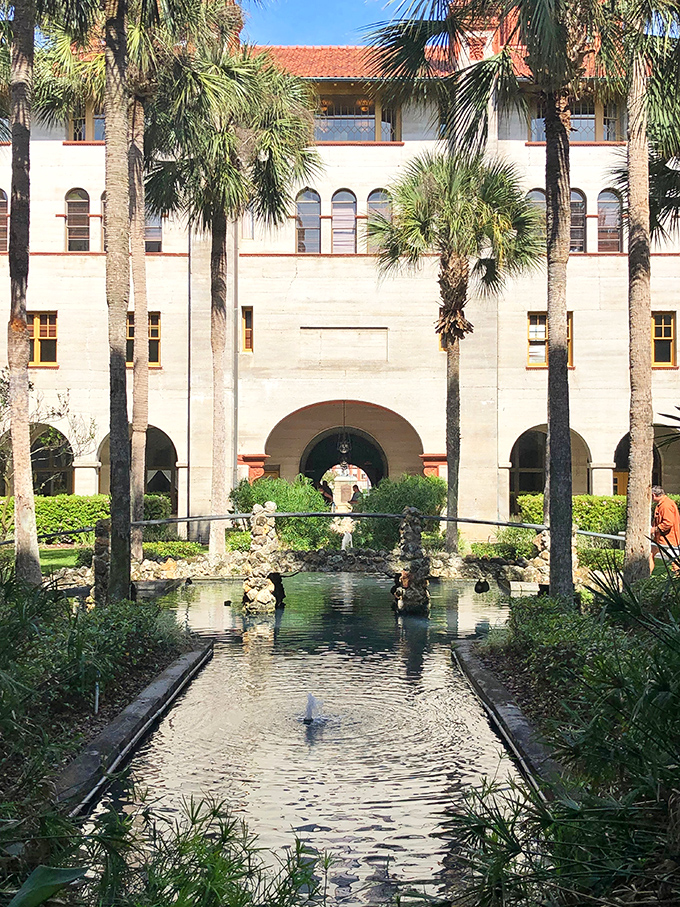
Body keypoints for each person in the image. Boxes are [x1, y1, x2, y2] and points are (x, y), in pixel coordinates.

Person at [650, 485, 680, 573]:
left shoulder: (665, 505)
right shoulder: (663, 503)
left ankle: (676, 580)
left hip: (668, 539)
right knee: (650, 554)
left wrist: (655, 529)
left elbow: (668, 523)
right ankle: (646, 577)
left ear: (653, 495)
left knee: (674, 561)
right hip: (661, 538)